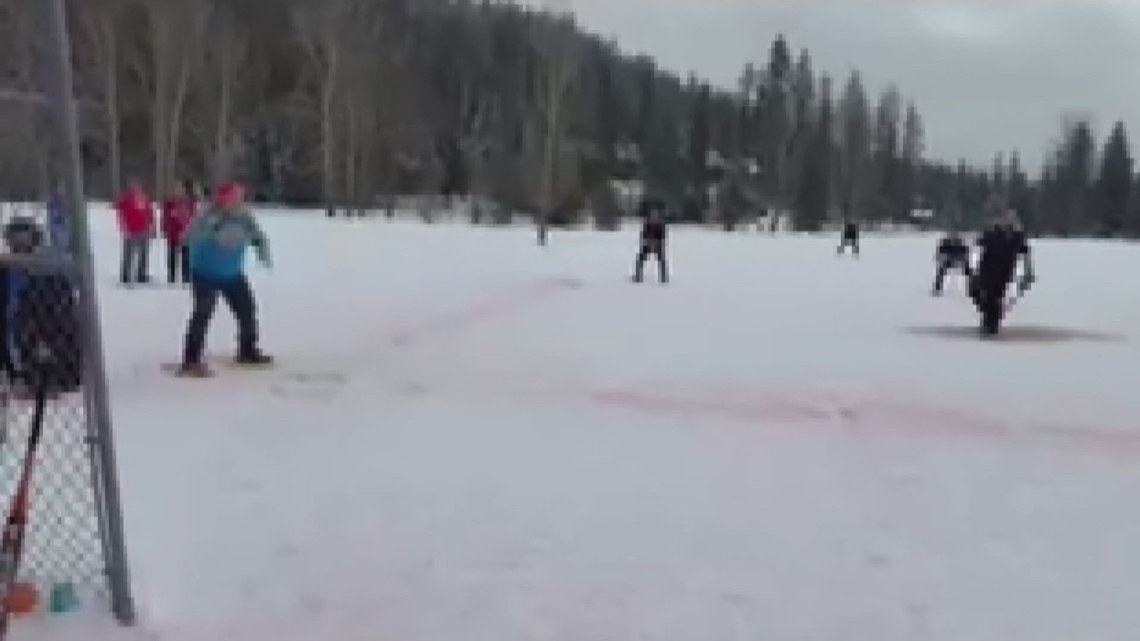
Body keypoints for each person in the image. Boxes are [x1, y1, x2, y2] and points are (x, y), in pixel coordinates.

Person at [176, 181, 273, 377]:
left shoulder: (245, 217)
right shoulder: (207, 215)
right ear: (223, 200)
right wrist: (212, 232)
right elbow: (186, 236)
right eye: (234, 199)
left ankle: (247, 349)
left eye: (240, 198)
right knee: (202, 313)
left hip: (231, 274)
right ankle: (191, 359)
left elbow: (258, 236)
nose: (238, 203)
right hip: (205, 273)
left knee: (247, 310)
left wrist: (262, 250)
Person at [0, 217, 82, 397]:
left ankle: (43, 374)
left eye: (25, 237)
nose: (20, 244)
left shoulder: (47, 272)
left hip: (37, 333)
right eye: (16, 238)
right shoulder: (6, 270)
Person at [969, 210, 1035, 337]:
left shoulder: (1017, 238)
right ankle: (990, 320)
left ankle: (991, 323)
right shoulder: (992, 234)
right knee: (980, 293)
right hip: (987, 269)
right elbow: (978, 244)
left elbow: (1025, 253)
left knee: (994, 296)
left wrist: (1028, 271)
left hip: (1003, 272)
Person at [114, 178, 155, 284]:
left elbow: (150, 213)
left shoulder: (144, 198)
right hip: (131, 230)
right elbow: (120, 214)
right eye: (133, 186)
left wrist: (151, 226)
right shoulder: (125, 199)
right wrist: (123, 227)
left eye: (137, 186)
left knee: (143, 253)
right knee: (128, 253)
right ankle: (125, 275)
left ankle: (141, 274)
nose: (136, 188)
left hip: (144, 230)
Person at [161, 179, 197, 284]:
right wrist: (166, 229)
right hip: (173, 233)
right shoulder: (169, 203)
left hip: (186, 233)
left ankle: (186, 276)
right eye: (176, 189)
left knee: (186, 256)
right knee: (172, 256)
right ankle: (171, 276)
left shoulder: (190, 203)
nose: (179, 191)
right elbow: (166, 217)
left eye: (181, 189)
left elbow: (193, 217)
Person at [632, 196, 668, 283]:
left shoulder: (649, 223)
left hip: (651, 242)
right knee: (660, 260)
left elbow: (644, 234)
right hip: (655, 242)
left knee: (642, 259)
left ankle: (638, 277)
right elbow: (662, 235)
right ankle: (663, 278)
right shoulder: (659, 223)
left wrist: (647, 240)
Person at [932, 231, 971, 295]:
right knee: (940, 271)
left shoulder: (957, 242)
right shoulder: (947, 242)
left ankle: (972, 288)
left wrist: (963, 259)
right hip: (950, 260)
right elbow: (940, 251)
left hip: (956, 260)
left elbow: (965, 251)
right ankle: (937, 288)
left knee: (969, 271)